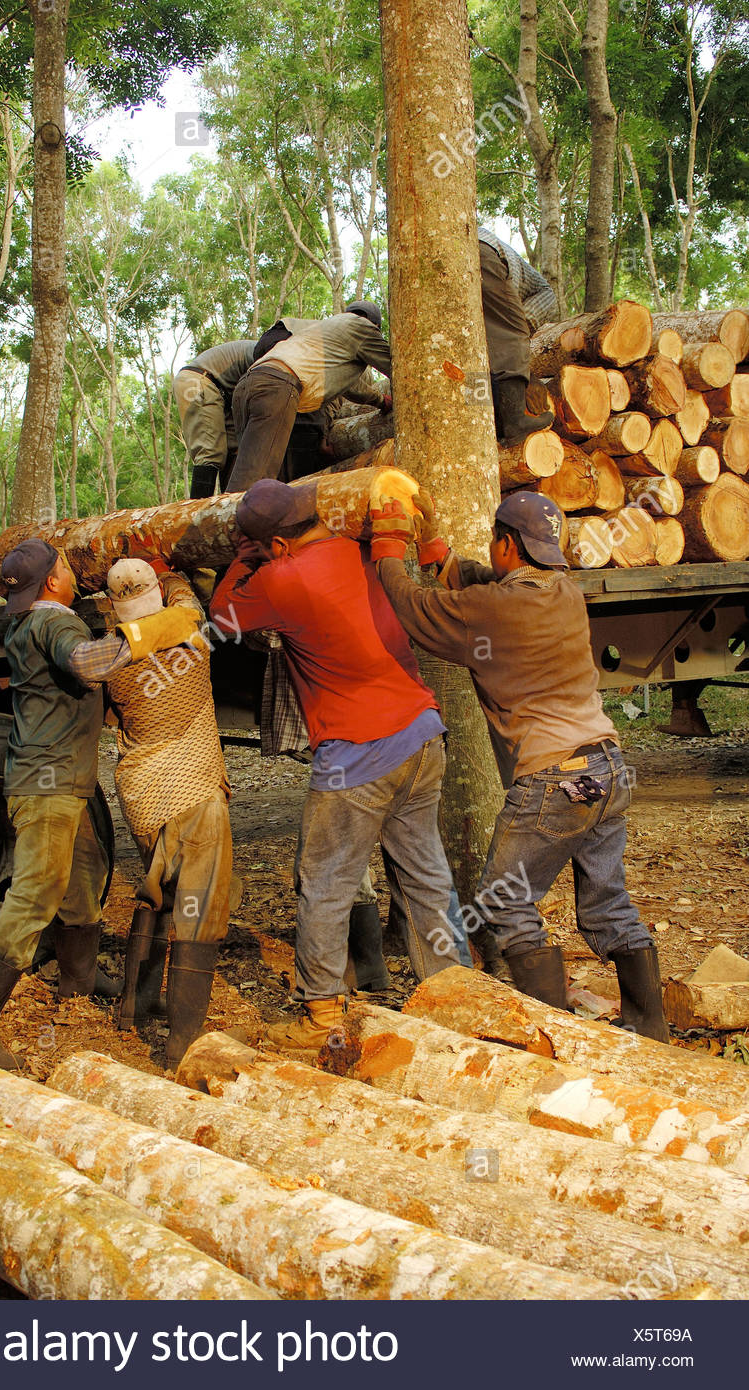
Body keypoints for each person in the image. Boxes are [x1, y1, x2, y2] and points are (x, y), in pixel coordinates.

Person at [369, 488, 669, 1041]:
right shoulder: (564, 591)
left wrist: (387, 546)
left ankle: (553, 1039)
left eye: (495, 544)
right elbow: (490, 588)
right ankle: (651, 1031)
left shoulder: (494, 608)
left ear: (507, 544)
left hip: (555, 781)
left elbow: (416, 609)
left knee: (504, 906)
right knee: (608, 902)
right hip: (607, 768)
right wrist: (441, 555)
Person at [209, 478, 460, 1051]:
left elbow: (221, 618)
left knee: (324, 882)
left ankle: (322, 1017)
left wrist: (240, 560)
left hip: (357, 753)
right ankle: (453, 997)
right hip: (423, 735)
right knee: (425, 876)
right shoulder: (360, 549)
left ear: (274, 544)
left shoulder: (279, 578)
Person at [0, 538, 205, 1071]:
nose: (69, 570)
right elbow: (89, 663)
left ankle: (78, 979)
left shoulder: (26, 620)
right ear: (55, 581)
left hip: (63, 778)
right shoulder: (52, 622)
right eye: (64, 565)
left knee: (85, 874)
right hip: (47, 785)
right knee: (37, 892)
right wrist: (165, 624)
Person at [102, 557, 232, 1070]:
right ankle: (182, 1040)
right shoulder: (191, 648)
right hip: (193, 794)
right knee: (201, 910)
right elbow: (188, 605)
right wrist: (172, 570)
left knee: (157, 891)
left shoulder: (115, 663)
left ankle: (134, 1003)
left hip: (143, 795)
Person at [227, 302, 392, 495]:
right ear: (375, 326)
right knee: (252, 490)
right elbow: (397, 366)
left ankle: (220, 518)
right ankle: (223, 524)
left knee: (248, 478)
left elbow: (352, 387)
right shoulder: (362, 328)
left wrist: (380, 400)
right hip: (278, 387)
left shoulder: (326, 329)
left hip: (247, 384)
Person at [477, 226, 557, 446]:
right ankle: (514, 421)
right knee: (512, 332)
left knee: (472, 352)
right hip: (480, 251)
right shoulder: (544, 294)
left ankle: (480, 418)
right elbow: (521, 322)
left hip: (462, 249)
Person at [173, 340, 257, 498]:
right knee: (209, 451)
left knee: (236, 448)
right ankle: (197, 514)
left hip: (223, 392)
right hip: (198, 379)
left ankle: (227, 506)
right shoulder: (268, 353)